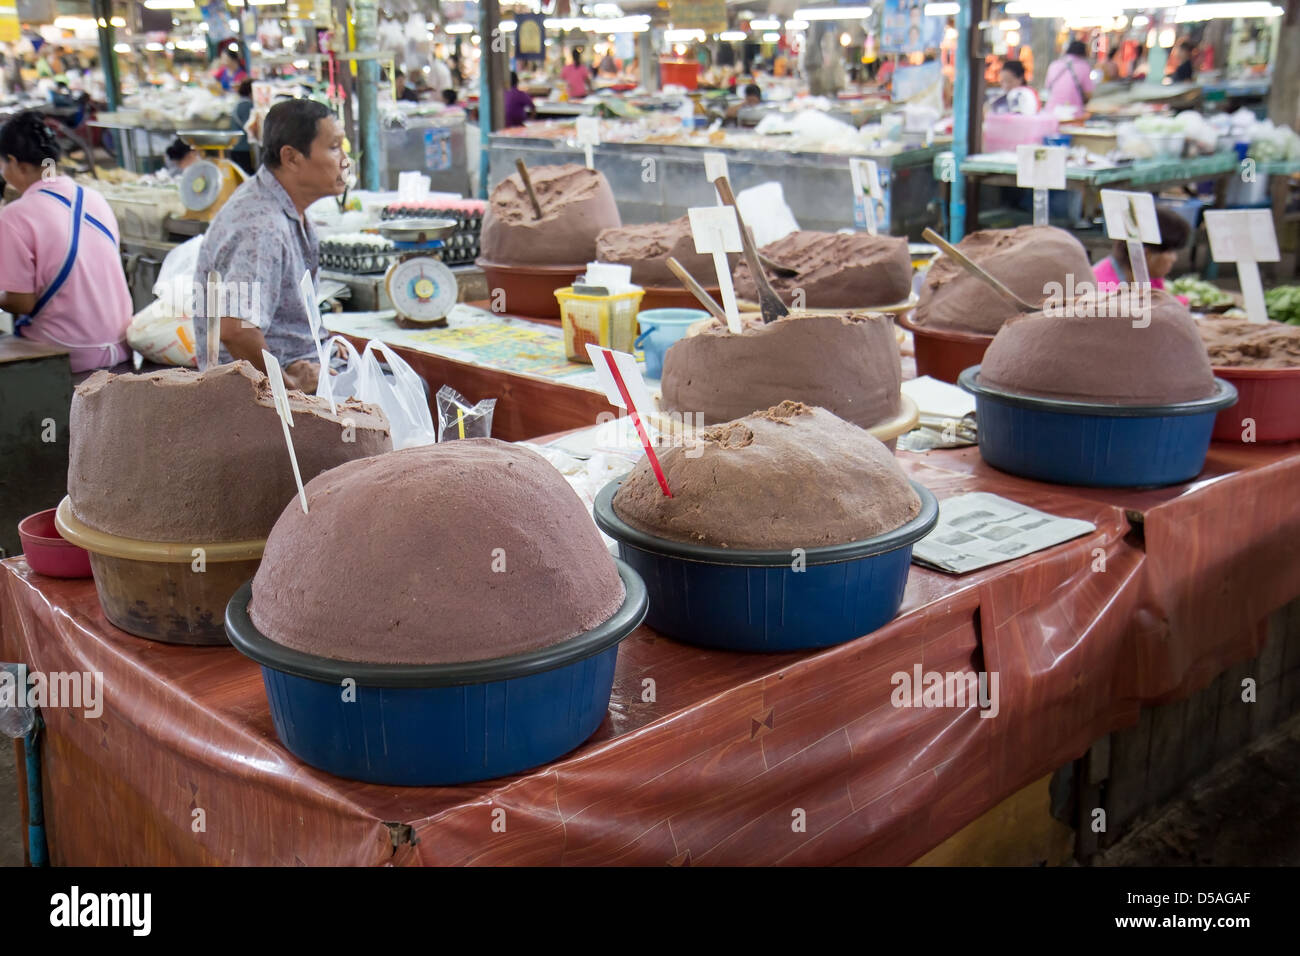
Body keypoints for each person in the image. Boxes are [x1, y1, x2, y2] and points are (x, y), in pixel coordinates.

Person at [194, 99, 350, 392]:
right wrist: (289, 387)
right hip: (254, 394)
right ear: (291, 157)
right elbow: (236, 328)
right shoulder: (261, 226)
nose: (345, 161)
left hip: (301, 363)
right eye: (334, 147)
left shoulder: (284, 207)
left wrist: (321, 340)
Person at [0, 111, 132, 374]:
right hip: (121, 345)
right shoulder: (94, 198)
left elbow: (22, 303)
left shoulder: (15, 216)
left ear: (14, 163)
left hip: (68, 353)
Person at [1092, 205, 1190, 293]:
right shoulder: (1104, 290)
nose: (1174, 258)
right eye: (1169, 252)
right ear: (1145, 253)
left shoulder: (1152, 278)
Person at [1043, 40, 1094, 113]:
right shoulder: (1084, 66)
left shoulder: (1054, 64)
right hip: (1073, 111)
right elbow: (1088, 93)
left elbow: (1047, 87)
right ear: (1084, 52)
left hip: (1051, 110)